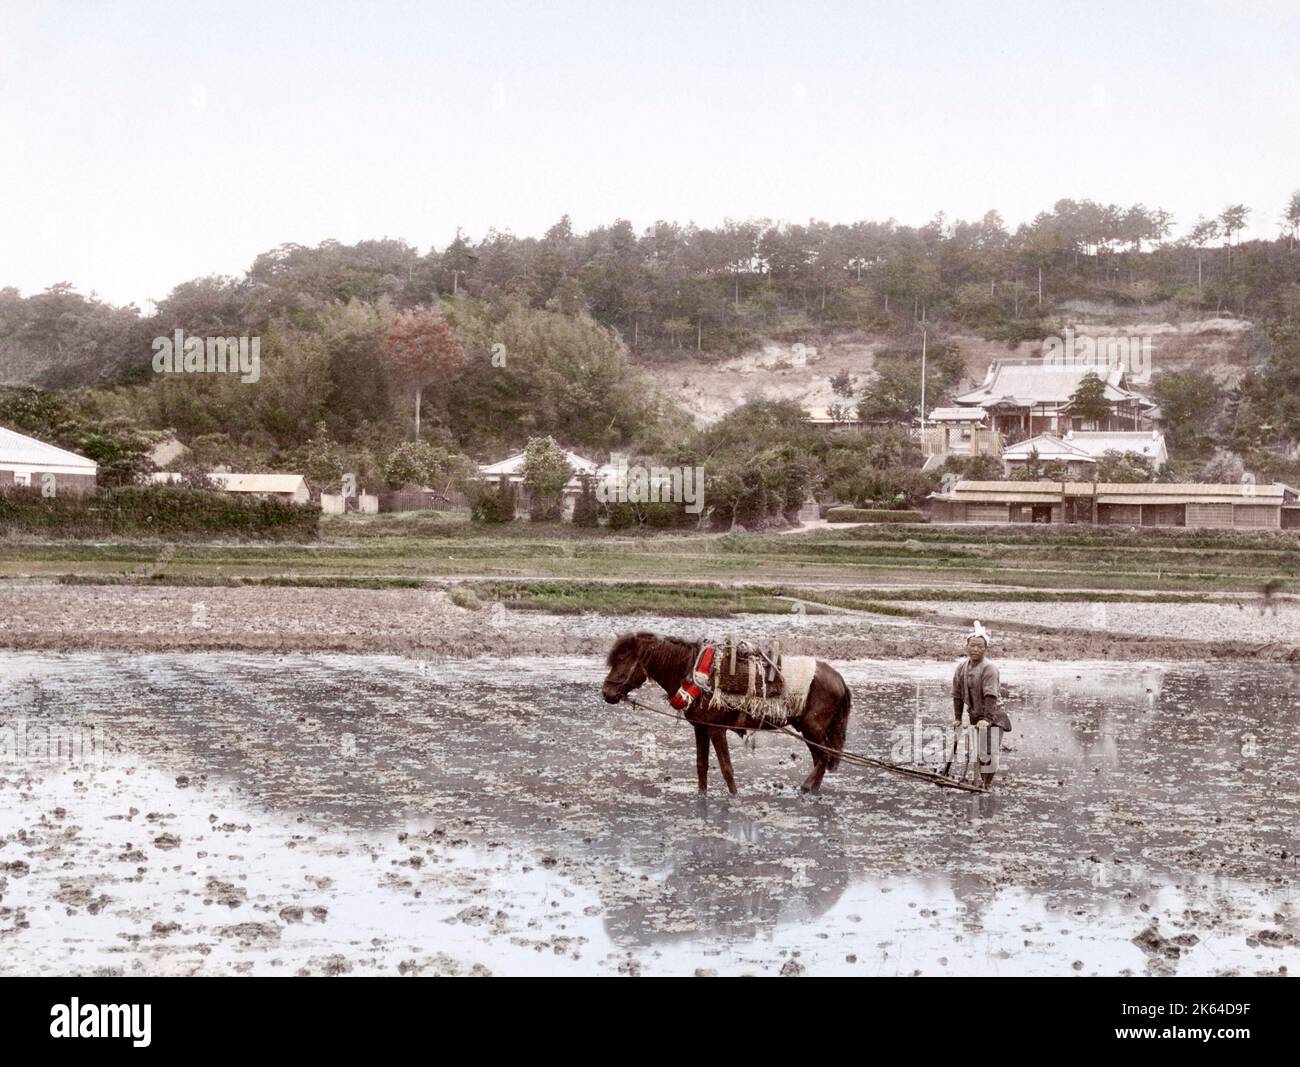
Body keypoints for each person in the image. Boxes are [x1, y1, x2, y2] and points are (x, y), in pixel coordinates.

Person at [948, 621, 1011, 787]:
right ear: (967, 647)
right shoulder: (961, 667)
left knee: (989, 754)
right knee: (977, 752)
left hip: (994, 716)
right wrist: (957, 718)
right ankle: (980, 782)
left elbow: (991, 695)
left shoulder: (989, 668)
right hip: (975, 716)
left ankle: (986, 785)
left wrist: (987, 719)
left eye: (980, 647)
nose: (975, 649)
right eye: (972, 646)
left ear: (985, 649)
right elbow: (957, 694)